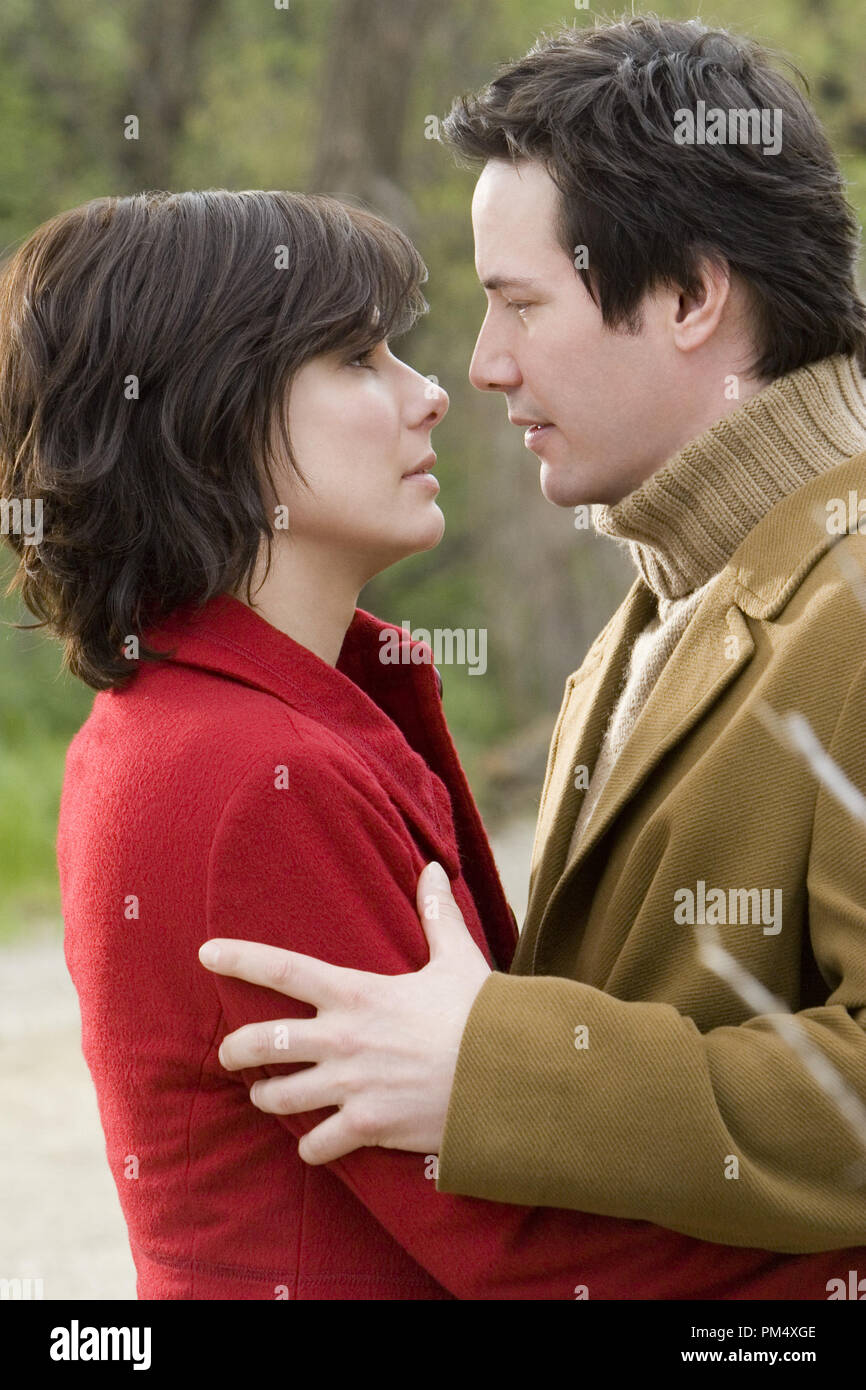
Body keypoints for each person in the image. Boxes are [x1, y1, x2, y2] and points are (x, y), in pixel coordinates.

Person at [4, 186, 819, 1301]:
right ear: (209, 411)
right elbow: (514, 1245)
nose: (431, 393)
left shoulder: (236, 711)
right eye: (355, 359)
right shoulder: (246, 772)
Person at [201, 17, 866, 1289]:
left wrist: (499, 1067)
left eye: (518, 306)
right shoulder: (672, 585)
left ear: (687, 293)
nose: (483, 368)